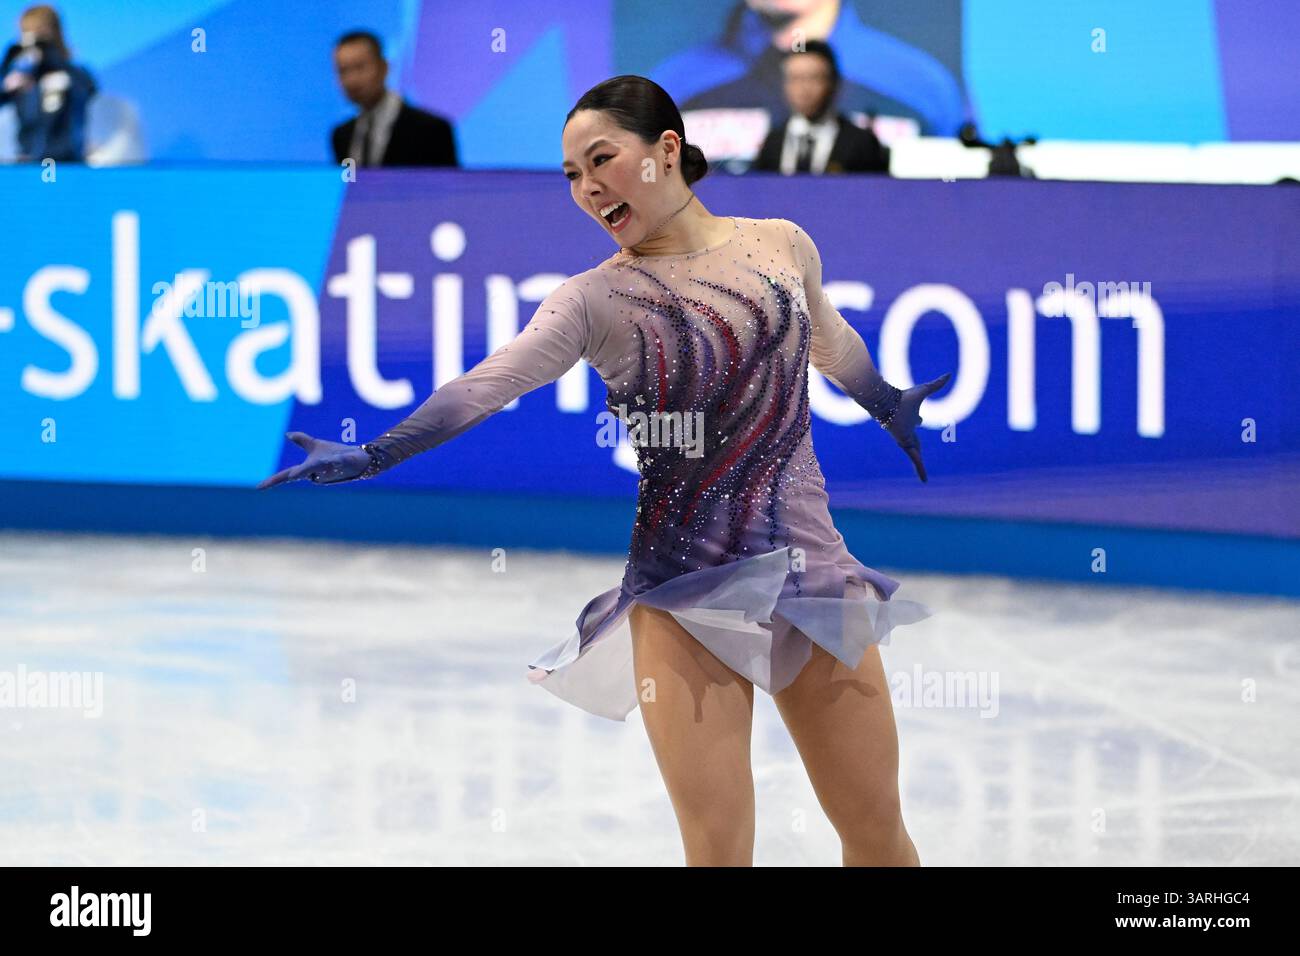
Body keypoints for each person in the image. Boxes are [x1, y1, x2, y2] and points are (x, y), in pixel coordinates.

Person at [262, 75, 950, 867]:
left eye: (602, 160)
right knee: (718, 852)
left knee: (876, 833)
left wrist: (883, 399)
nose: (588, 188)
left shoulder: (781, 244)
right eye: (572, 176)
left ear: (666, 150)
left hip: (811, 570)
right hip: (681, 589)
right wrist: (380, 450)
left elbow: (830, 339)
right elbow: (491, 380)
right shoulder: (592, 300)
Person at [752, 39, 888, 174]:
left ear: (833, 83)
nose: (804, 89)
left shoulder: (861, 144)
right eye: (795, 78)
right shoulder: (773, 142)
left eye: (813, 78)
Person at [329, 30, 457, 168]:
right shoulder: (341, 136)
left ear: (384, 67)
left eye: (360, 67)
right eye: (342, 70)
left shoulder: (432, 130)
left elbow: (447, 187)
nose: (351, 80)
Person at [0, 4, 97, 163]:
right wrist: (8, 77)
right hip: (28, 160)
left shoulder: (72, 72)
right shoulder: (21, 74)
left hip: (68, 161)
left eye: (40, 35)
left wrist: (52, 57)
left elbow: (89, 89)